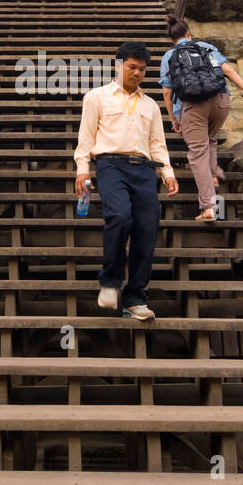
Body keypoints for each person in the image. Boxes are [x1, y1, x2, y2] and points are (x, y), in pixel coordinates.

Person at [74, 41, 178, 320]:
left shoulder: (151, 105)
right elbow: (86, 138)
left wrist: (167, 173)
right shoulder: (96, 97)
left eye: (142, 69)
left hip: (144, 170)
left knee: (147, 229)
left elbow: (158, 144)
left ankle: (135, 299)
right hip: (110, 166)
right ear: (118, 65)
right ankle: (110, 282)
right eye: (132, 67)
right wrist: (82, 169)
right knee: (120, 217)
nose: (137, 73)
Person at [160, 16, 243, 221]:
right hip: (221, 102)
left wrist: (174, 119)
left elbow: (166, 93)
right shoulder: (205, 46)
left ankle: (208, 206)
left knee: (197, 152)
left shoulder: (169, 56)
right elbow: (227, 69)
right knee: (210, 139)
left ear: (172, 39)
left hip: (192, 106)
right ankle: (214, 174)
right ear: (188, 33)